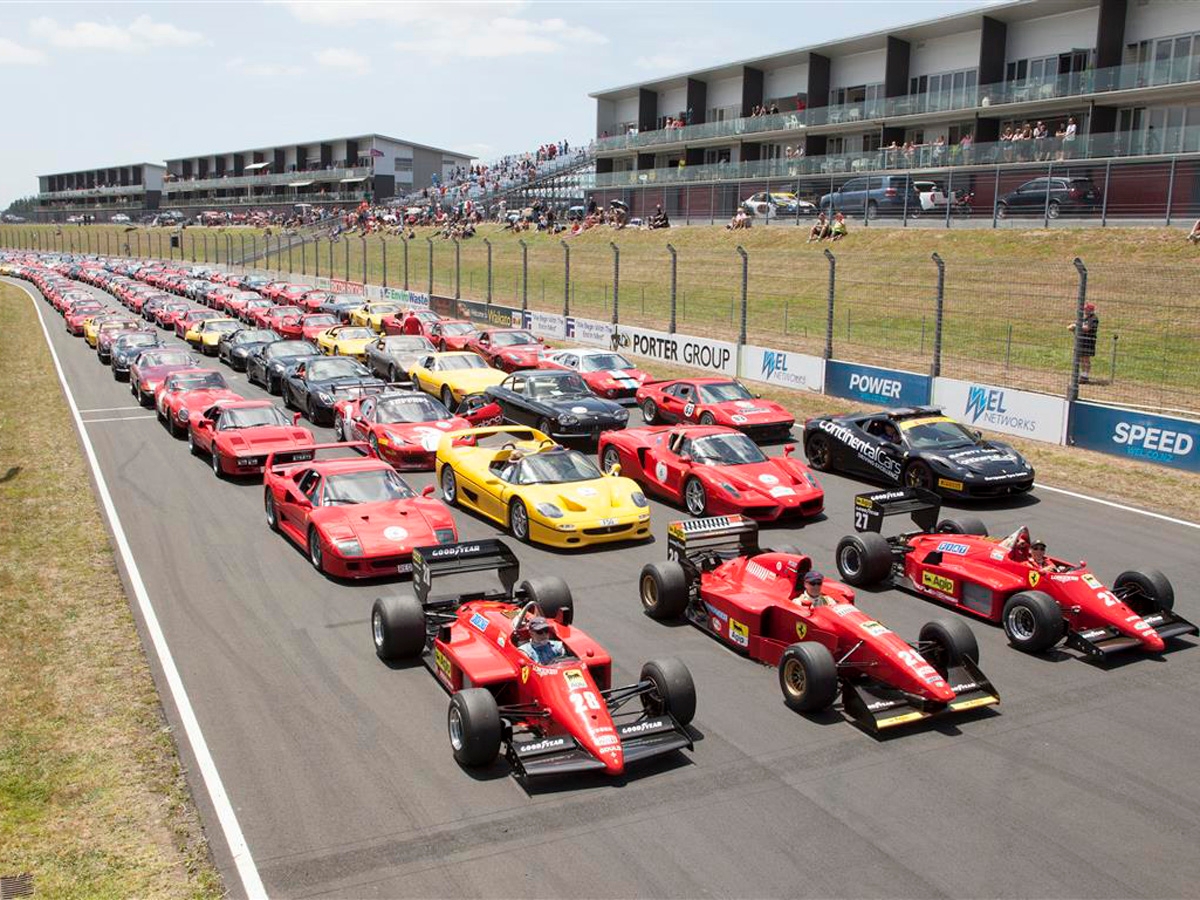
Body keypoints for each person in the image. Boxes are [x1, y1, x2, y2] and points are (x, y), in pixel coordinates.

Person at [1068, 302, 1099, 382]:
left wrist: (1076, 326)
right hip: (1082, 341)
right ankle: (1082, 375)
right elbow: (1081, 328)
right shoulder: (1085, 319)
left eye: (1086, 309)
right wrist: (1074, 329)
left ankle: (1085, 376)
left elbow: (1087, 328)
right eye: (1085, 309)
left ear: (1090, 310)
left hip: (1088, 342)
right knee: (1081, 358)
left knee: (1086, 359)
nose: (1085, 311)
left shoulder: (1093, 319)